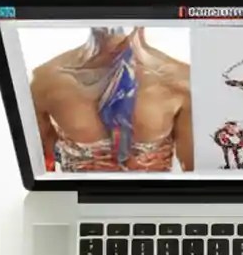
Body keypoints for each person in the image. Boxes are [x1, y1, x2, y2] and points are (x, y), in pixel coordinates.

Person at [30, 27, 192, 172]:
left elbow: (196, 177)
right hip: (79, 195)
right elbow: (40, 172)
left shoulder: (181, 82)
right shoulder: (45, 82)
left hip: (154, 195)